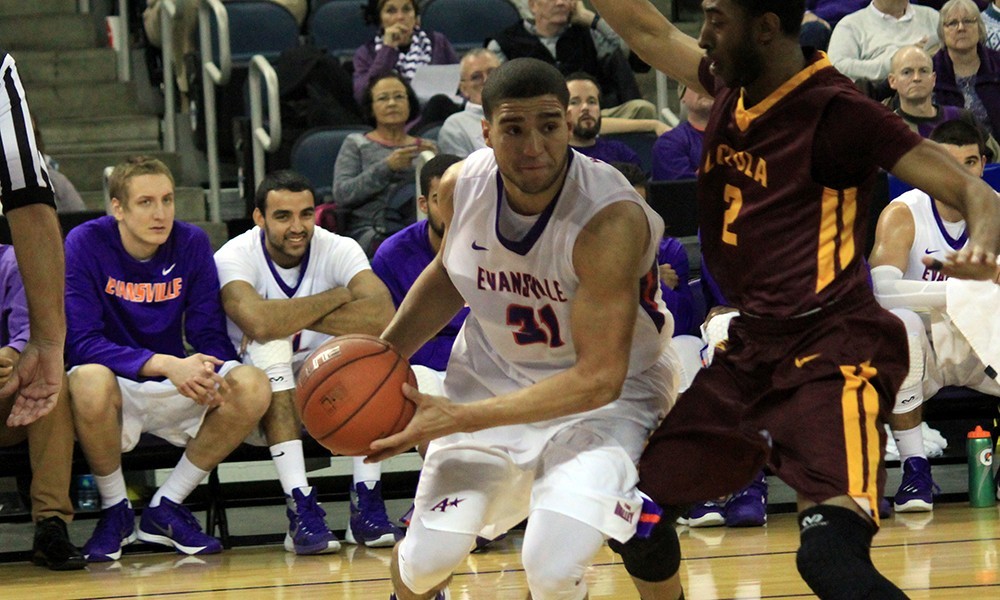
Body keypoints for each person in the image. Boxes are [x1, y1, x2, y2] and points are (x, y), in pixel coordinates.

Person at [589, 1, 1000, 598]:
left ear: (763, 27)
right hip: (752, 347)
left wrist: (983, 247)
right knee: (637, 522)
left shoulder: (839, 112)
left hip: (831, 348)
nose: (702, 35)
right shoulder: (732, 81)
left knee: (827, 556)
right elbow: (647, 28)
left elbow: (970, 188)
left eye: (716, 20)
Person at [368, 57, 680, 600]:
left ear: (570, 124)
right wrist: (381, 357)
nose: (534, 145)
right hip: (493, 376)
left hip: (606, 399)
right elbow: (448, 272)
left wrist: (459, 417)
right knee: (424, 563)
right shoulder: (459, 184)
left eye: (549, 126)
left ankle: (631, 518)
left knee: (552, 567)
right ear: (486, 132)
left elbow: (599, 379)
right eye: (514, 129)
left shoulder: (608, 218)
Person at [65, 157, 271, 561]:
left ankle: (167, 505)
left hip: (170, 378)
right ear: (118, 208)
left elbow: (207, 333)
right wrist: (165, 363)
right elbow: (83, 342)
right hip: (115, 386)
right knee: (87, 377)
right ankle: (115, 510)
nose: (160, 213)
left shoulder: (190, 242)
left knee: (251, 384)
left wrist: (213, 371)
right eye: (145, 202)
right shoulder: (85, 242)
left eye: (167, 200)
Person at [214, 169, 403, 550]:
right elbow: (259, 325)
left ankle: (366, 502)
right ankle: (299, 507)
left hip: (326, 382)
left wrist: (280, 316)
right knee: (272, 349)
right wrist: (338, 295)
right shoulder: (233, 255)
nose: (298, 226)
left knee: (370, 355)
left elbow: (383, 315)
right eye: (283, 216)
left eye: (306, 214)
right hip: (257, 399)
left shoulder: (339, 247)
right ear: (259, 218)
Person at [869, 118, 1000, 514]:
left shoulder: (994, 209)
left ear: (983, 163)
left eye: (971, 162)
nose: (961, 173)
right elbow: (881, 291)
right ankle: (915, 470)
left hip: (979, 345)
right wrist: (962, 291)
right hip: (922, 350)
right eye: (950, 162)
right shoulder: (903, 212)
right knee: (902, 323)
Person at [0, 244, 83, 571]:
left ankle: (51, 524)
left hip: (8, 400)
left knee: (52, 379)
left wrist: (12, 357)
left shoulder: (16, 260)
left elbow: (32, 330)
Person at [371, 154, 467, 376]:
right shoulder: (392, 256)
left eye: (462, 198)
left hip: (491, 366)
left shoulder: (497, 244)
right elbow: (401, 343)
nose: (454, 210)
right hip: (427, 369)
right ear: (423, 204)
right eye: (440, 199)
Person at [487, 0, 657, 120]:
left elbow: (633, 52)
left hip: (594, 115)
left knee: (642, 109)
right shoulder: (504, 43)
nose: (561, 3)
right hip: (536, 119)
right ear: (533, 5)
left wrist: (591, 19)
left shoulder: (588, 33)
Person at [332, 73, 437, 256]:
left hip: (422, 224)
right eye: (383, 98)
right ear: (371, 108)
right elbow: (342, 194)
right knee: (401, 247)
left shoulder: (427, 149)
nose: (392, 103)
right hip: (373, 228)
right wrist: (387, 167)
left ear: (410, 103)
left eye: (398, 97)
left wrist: (434, 164)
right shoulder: (356, 144)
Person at [352, 0, 460, 123]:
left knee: (440, 103)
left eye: (406, 10)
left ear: (415, 16)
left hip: (438, 117)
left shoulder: (437, 42)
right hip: (391, 122)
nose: (400, 17)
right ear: (380, 19)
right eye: (391, 11)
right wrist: (388, 48)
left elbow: (460, 81)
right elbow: (363, 96)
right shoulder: (366, 53)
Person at [933, 0, 1000, 139]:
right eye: (952, 23)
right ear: (942, 33)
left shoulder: (997, 64)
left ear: (980, 28)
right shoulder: (931, 70)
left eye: (968, 21)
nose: (961, 28)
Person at [829, 0, 940, 83]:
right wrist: (896, 62)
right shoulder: (851, 25)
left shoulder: (931, 16)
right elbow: (838, 66)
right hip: (879, 98)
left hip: (936, 89)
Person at [566, 73, 642, 166]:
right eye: (574, 102)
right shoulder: (557, 157)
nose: (585, 107)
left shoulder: (621, 154)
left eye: (591, 102)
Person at [438, 49, 501, 157]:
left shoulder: (524, 111)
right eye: (476, 77)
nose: (486, 80)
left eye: (492, 72)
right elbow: (463, 172)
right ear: (463, 89)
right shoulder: (455, 126)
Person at [651, 84, 714, 181]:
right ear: (682, 96)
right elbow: (684, 191)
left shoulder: (742, 136)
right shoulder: (668, 143)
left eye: (709, 82)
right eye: (694, 83)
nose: (703, 88)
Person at [800, 1, 869, 50]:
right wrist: (807, 14)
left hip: (855, 26)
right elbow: (799, 7)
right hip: (821, 23)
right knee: (813, 30)